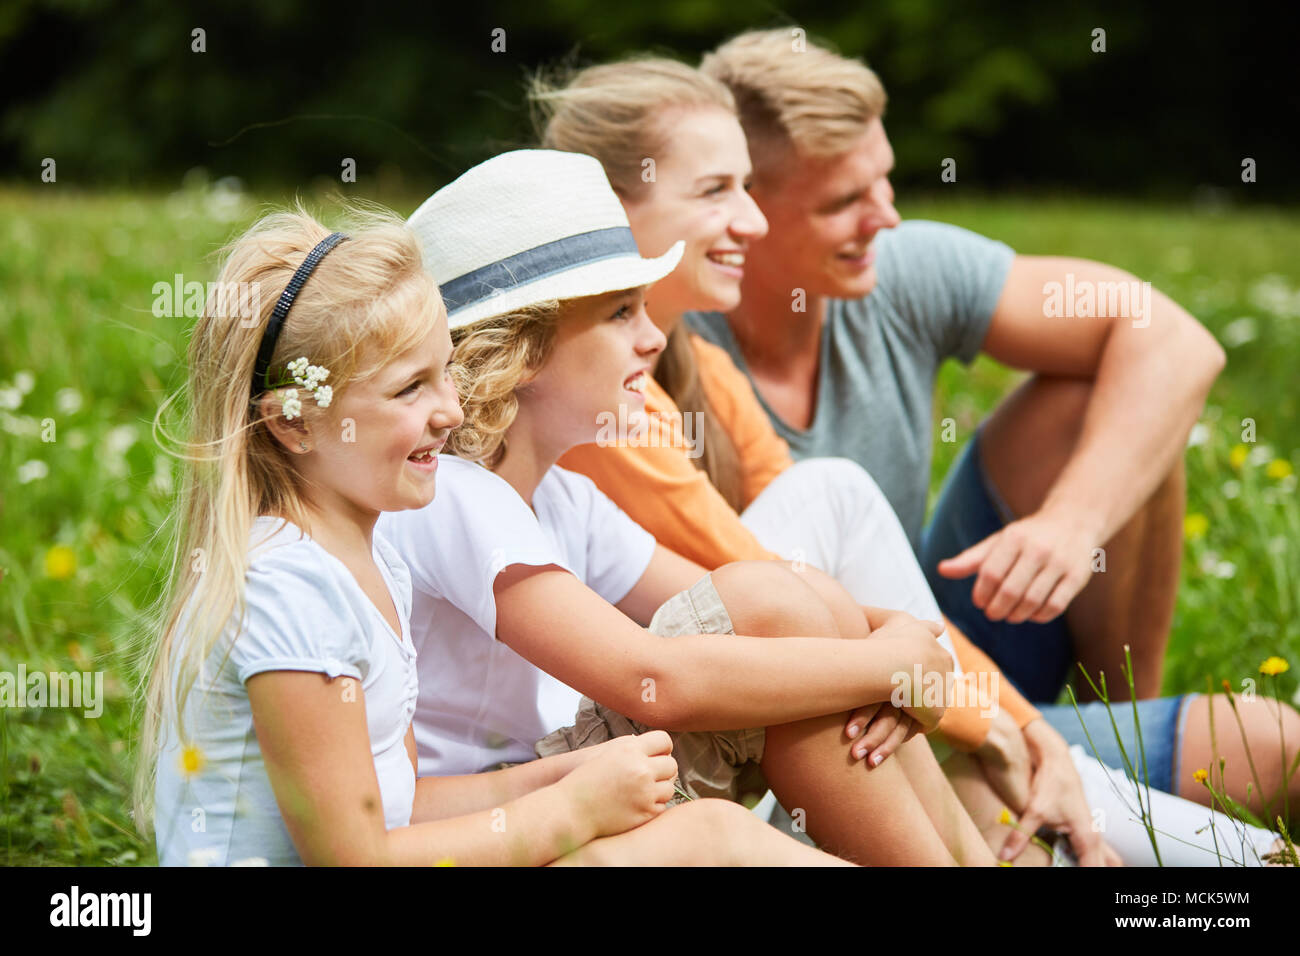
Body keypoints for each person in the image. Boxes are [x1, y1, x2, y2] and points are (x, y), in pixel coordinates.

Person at [533, 56, 1288, 866]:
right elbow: (756, 595)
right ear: (610, 209)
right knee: (834, 518)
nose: (746, 220)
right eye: (719, 191)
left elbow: (1165, 335)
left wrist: (1058, 544)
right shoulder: (598, 388)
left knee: (1275, 745)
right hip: (752, 728)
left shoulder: (704, 362)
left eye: (745, 188)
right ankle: (1197, 850)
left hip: (873, 684)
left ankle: (1117, 795)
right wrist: (952, 703)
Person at [136, 204, 845, 867]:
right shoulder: (288, 588)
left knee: (706, 832)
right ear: (293, 422)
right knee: (710, 836)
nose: (451, 411)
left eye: (446, 371)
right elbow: (355, 856)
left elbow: (402, 806)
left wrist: (559, 776)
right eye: (409, 389)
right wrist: (570, 811)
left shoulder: (373, 556)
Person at [381, 147, 1001, 865]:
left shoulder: (563, 499)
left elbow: (793, 606)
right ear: (520, 351)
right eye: (619, 313)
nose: (652, 337)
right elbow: (655, 681)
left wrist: (901, 643)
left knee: (801, 598)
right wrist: (886, 668)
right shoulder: (453, 496)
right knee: (774, 605)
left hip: (576, 766)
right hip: (511, 800)